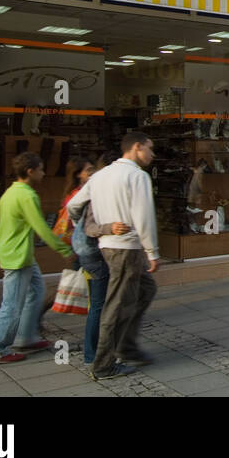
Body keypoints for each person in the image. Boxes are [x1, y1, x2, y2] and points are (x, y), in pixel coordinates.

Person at [68, 131, 160, 381]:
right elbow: (144, 216)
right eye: (150, 148)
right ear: (137, 147)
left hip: (110, 245)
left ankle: (126, 346)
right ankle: (104, 363)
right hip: (126, 247)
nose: (152, 154)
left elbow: (73, 205)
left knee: (145, 290)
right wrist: (152, 251)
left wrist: (96, 230)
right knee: (116, 303)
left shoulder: (100, 176)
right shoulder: (137, 176)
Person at [0, 152, 74, 364]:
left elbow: (2, 225)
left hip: (15, 252)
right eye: (41, 169)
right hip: (18, 255)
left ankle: (26, 337)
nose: (43, 173)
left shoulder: (10, 192)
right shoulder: (27, 195)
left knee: (36, 291)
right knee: (11, 305)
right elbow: (41, 228)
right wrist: (65, 250)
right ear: (30, 171)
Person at [67, 151, 130, 368]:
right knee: (100, 305)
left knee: (100, 304)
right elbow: (88, 223)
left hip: (89, 249)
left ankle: (97, 352)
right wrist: (107, 229)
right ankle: (94, 354)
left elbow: (74, 209)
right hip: (93, 251)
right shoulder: (100, 187)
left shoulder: (97, 186)